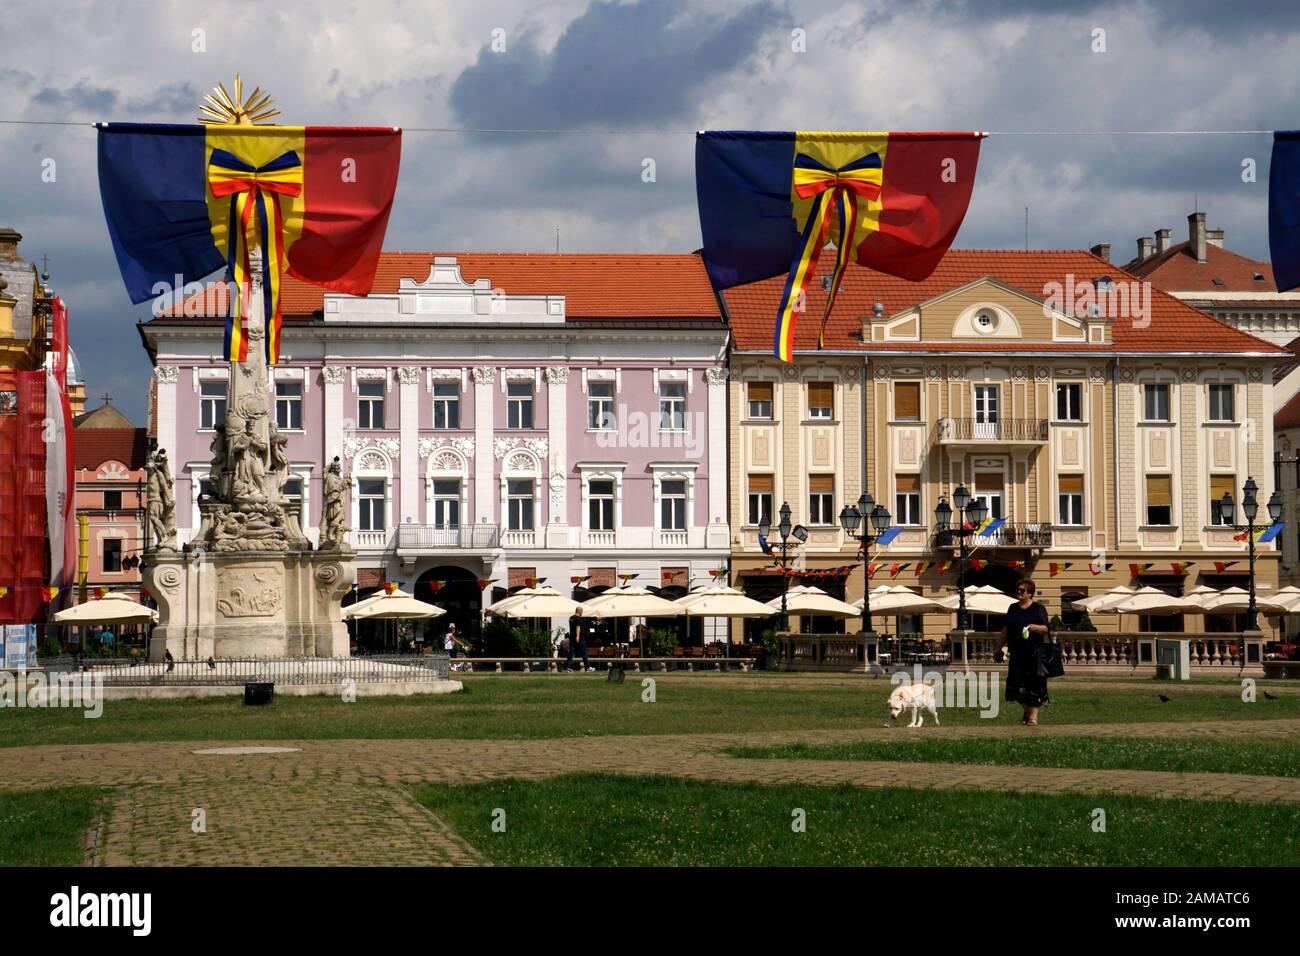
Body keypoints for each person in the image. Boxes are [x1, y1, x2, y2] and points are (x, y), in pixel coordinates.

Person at [1001, 578, 1052, 725]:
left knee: (1036, 684)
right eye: (1017, 589)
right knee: (1014, 685)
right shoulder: (1012, 608)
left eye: (1022, 590)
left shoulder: (1038, 609)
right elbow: (1006, 629)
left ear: (1030, 593)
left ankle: (1033, 717)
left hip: (1035, 653)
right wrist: (998, 647)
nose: (1018, 592)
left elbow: (1046, 629)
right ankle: (1027, 710)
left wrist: (1034, 627)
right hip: (1017, 653)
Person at [567, 607, 591, 672]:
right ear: (580, 611)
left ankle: (569, 667)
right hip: (580, 639)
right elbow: (578, 627)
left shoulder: (571, 618)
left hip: (572, 638)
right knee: (584, 653)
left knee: (571, 653)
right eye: (582, 612)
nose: (582, 613)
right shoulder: (578, 619)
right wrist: (577, 636)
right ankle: (587, 668)